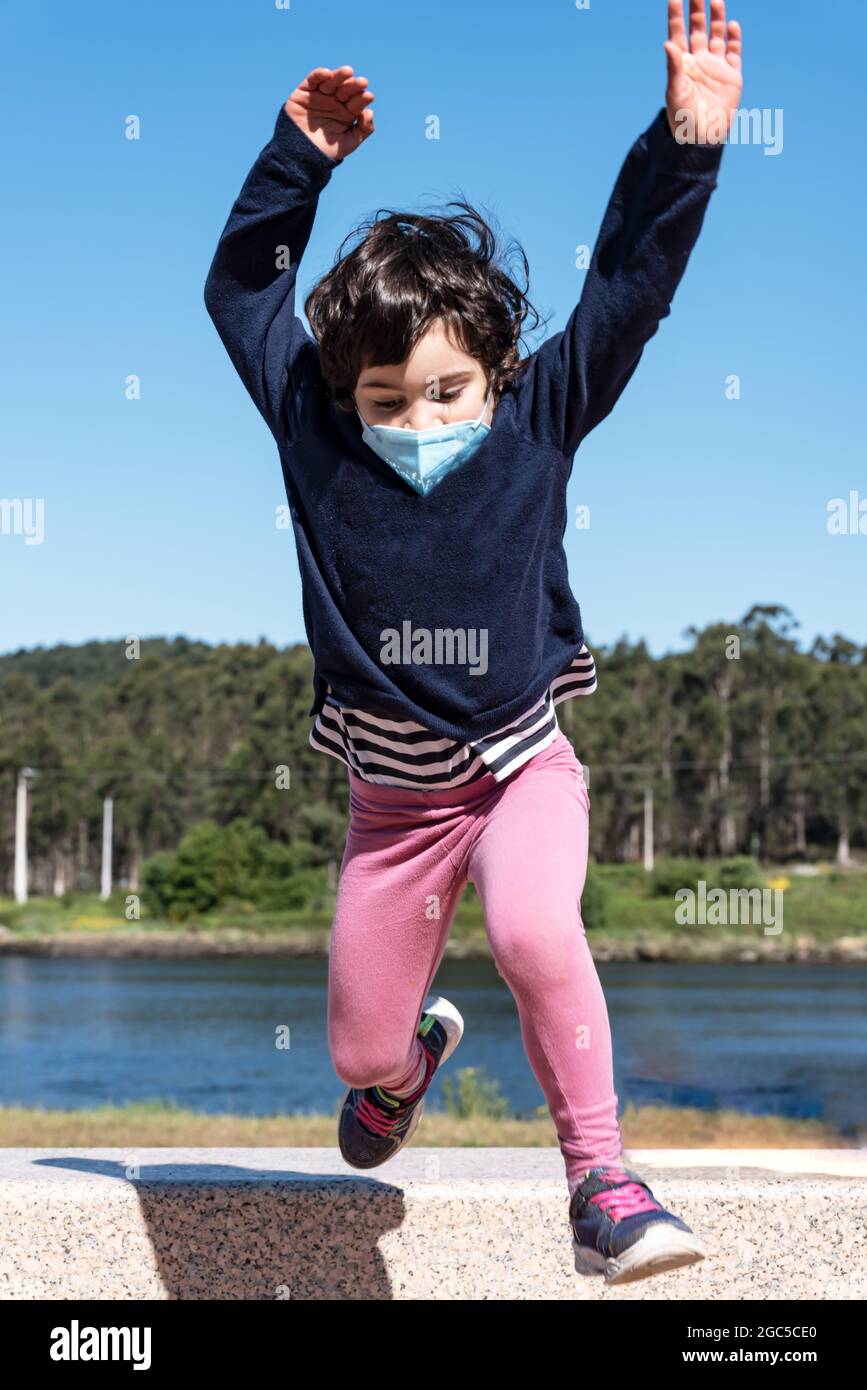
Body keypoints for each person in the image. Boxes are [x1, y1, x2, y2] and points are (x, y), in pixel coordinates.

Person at [204, 0, 743, 1286]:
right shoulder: (312, 430)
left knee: (538, 933)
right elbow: (240, 288)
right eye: (385, 400)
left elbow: (630, 286)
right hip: (392, 810)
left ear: (498, 369)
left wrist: (687, 144)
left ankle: (603, 1184)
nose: (417, 416)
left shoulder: (543, 416)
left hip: (520, 769)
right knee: (355, 1056)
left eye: (446, 389)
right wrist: (299, 163)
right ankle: (417, 1062)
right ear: (342, 396)